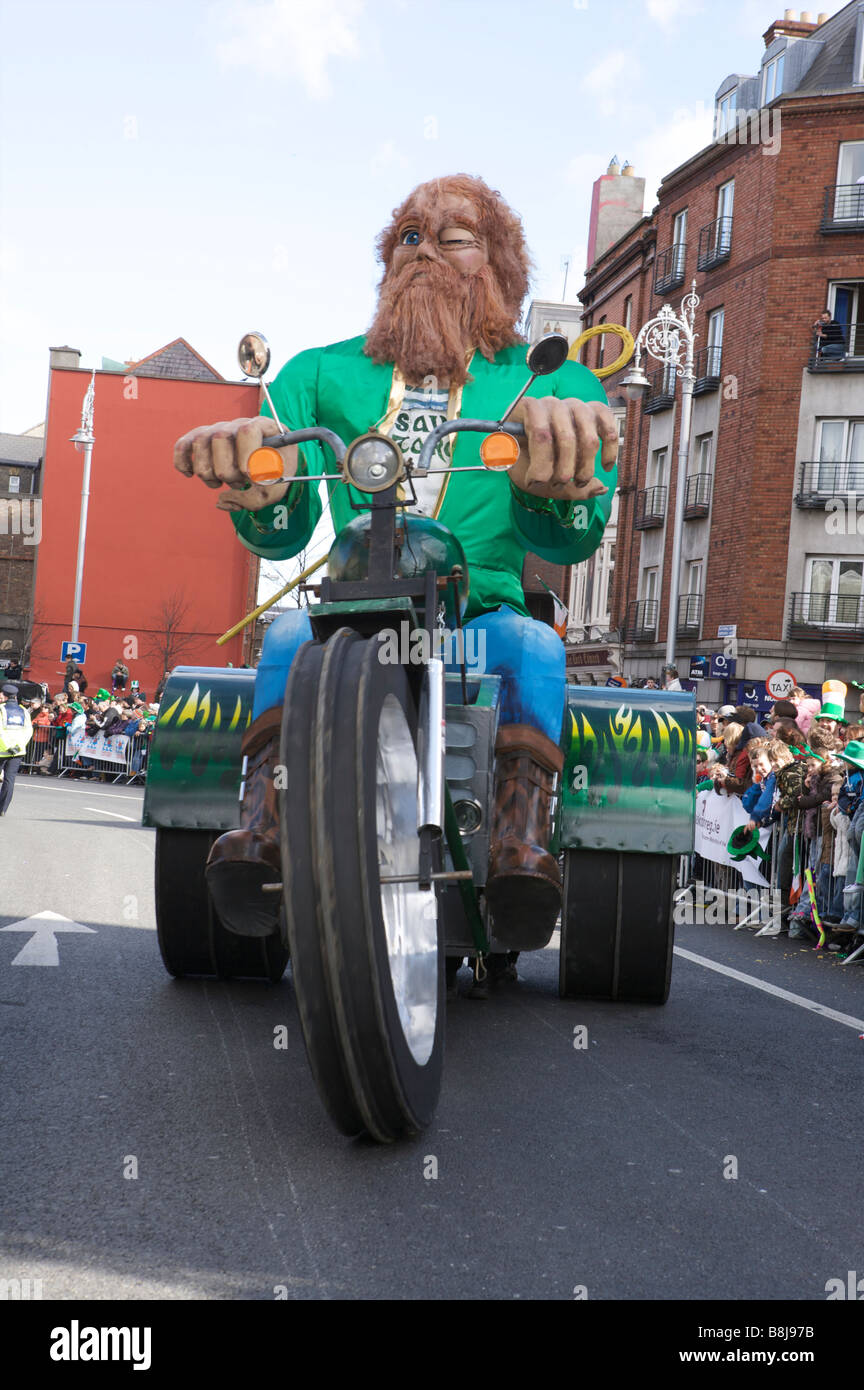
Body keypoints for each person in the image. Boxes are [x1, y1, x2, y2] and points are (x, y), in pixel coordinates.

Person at [174, 173, 619, 947]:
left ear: (501, 268)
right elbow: (283, 527)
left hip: (477, 620)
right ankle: (264, 828)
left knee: (534, 646)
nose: (423, 253)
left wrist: (556, 478)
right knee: (287, 636)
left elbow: (570, 540)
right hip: (348, 616)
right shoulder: (318, 372)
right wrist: (256, 479)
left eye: (453, 239)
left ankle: (519, 844)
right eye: (408, 238)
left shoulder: (550, 379)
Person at [0, 683, 33, 816]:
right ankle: (3, 809)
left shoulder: (1, 710)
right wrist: (19, 746)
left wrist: (7, 746)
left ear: (4, 696)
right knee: (9, 780)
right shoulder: (23, 711)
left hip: (2, 750)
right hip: (18, 751)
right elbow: (29, 731)